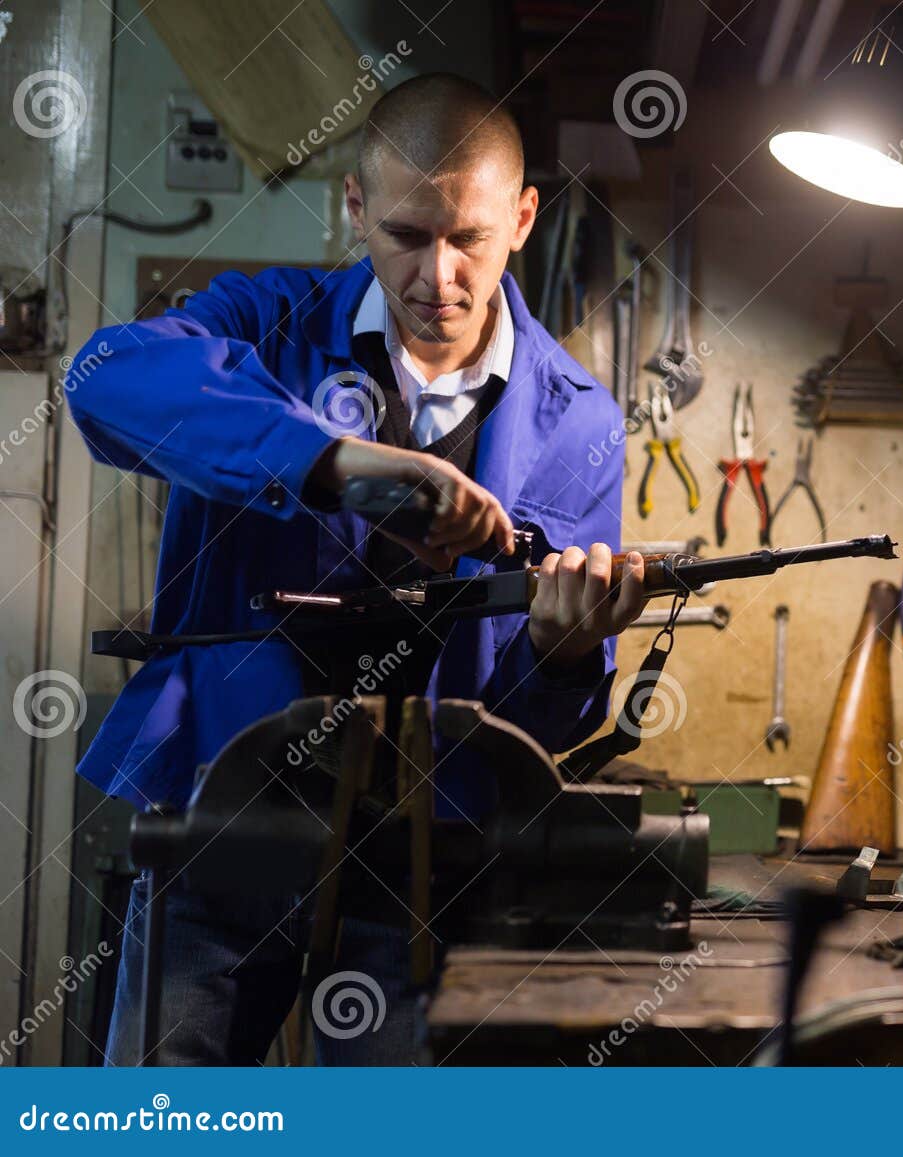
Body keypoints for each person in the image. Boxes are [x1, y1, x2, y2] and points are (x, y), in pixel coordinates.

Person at [65, 72, 643, 1064]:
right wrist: (332, 462)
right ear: (354, 207)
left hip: (427, 851)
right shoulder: (264, 323)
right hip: (228, 814)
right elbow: (102, 380)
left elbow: (537, 732)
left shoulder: (579, 422)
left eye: (468, 237)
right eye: (407, 234)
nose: (439, 275)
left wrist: (557, 651)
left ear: (524, 218)